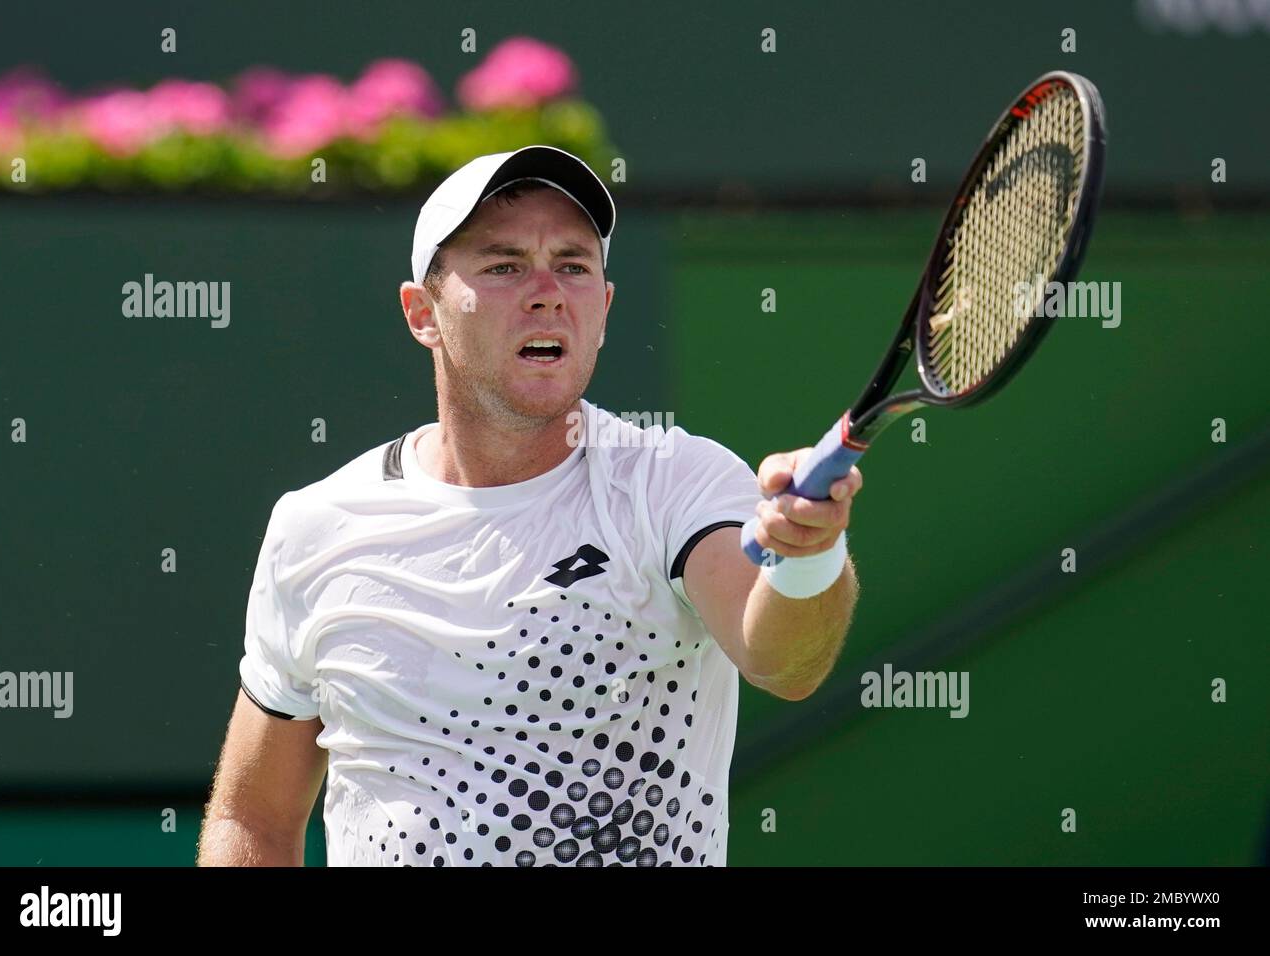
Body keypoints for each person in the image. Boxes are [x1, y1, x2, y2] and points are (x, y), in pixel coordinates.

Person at [197, 145, 861, 867]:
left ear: (602, 311)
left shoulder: (673, 482)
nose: (547, 291)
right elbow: (253, 818)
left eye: (574, 266)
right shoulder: (315, 528)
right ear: (423, 313)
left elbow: (784, 662)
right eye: (505, 265)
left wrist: (808, 554)